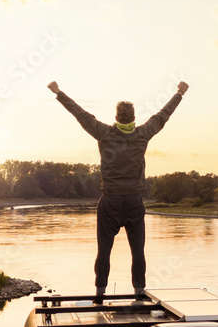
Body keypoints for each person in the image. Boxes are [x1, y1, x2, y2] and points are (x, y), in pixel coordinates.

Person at [47, 80, 189, 303]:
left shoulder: (104, 133)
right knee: (137, 251)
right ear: (133, 119)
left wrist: (58, 92)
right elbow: (163, 115)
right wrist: (179, 93)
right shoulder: (143, 134)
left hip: (110, 202)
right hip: (134, 201)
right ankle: (139, 293)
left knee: (104, 250)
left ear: (116, 118)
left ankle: (100, 293)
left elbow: (81, 115)